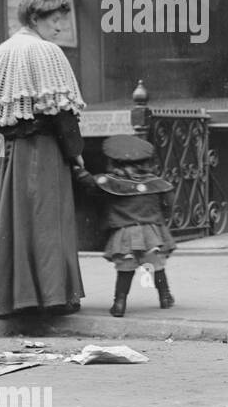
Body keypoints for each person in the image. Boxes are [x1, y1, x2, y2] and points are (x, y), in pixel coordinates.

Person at [0, 0, 86, 317]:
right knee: (46, 221)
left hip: (8, 155)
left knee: (11, 222)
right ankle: (49, 297)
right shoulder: (47, 53)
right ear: (34, 19)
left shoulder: (1, 53)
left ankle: (12, 298)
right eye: (54, 20)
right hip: (43, 152)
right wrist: (75, 152)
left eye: (61, 20)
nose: (59, 27)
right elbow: (62, 112)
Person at [74, 134, 177, 317]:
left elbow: (90, 184)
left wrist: (80, 170)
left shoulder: (110, 183)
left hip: (124, 233)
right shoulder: (157, 184)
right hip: (151, 232)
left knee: (125, 269)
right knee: (155, 266)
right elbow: (168, 206)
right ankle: (165, 297)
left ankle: (119, 304)